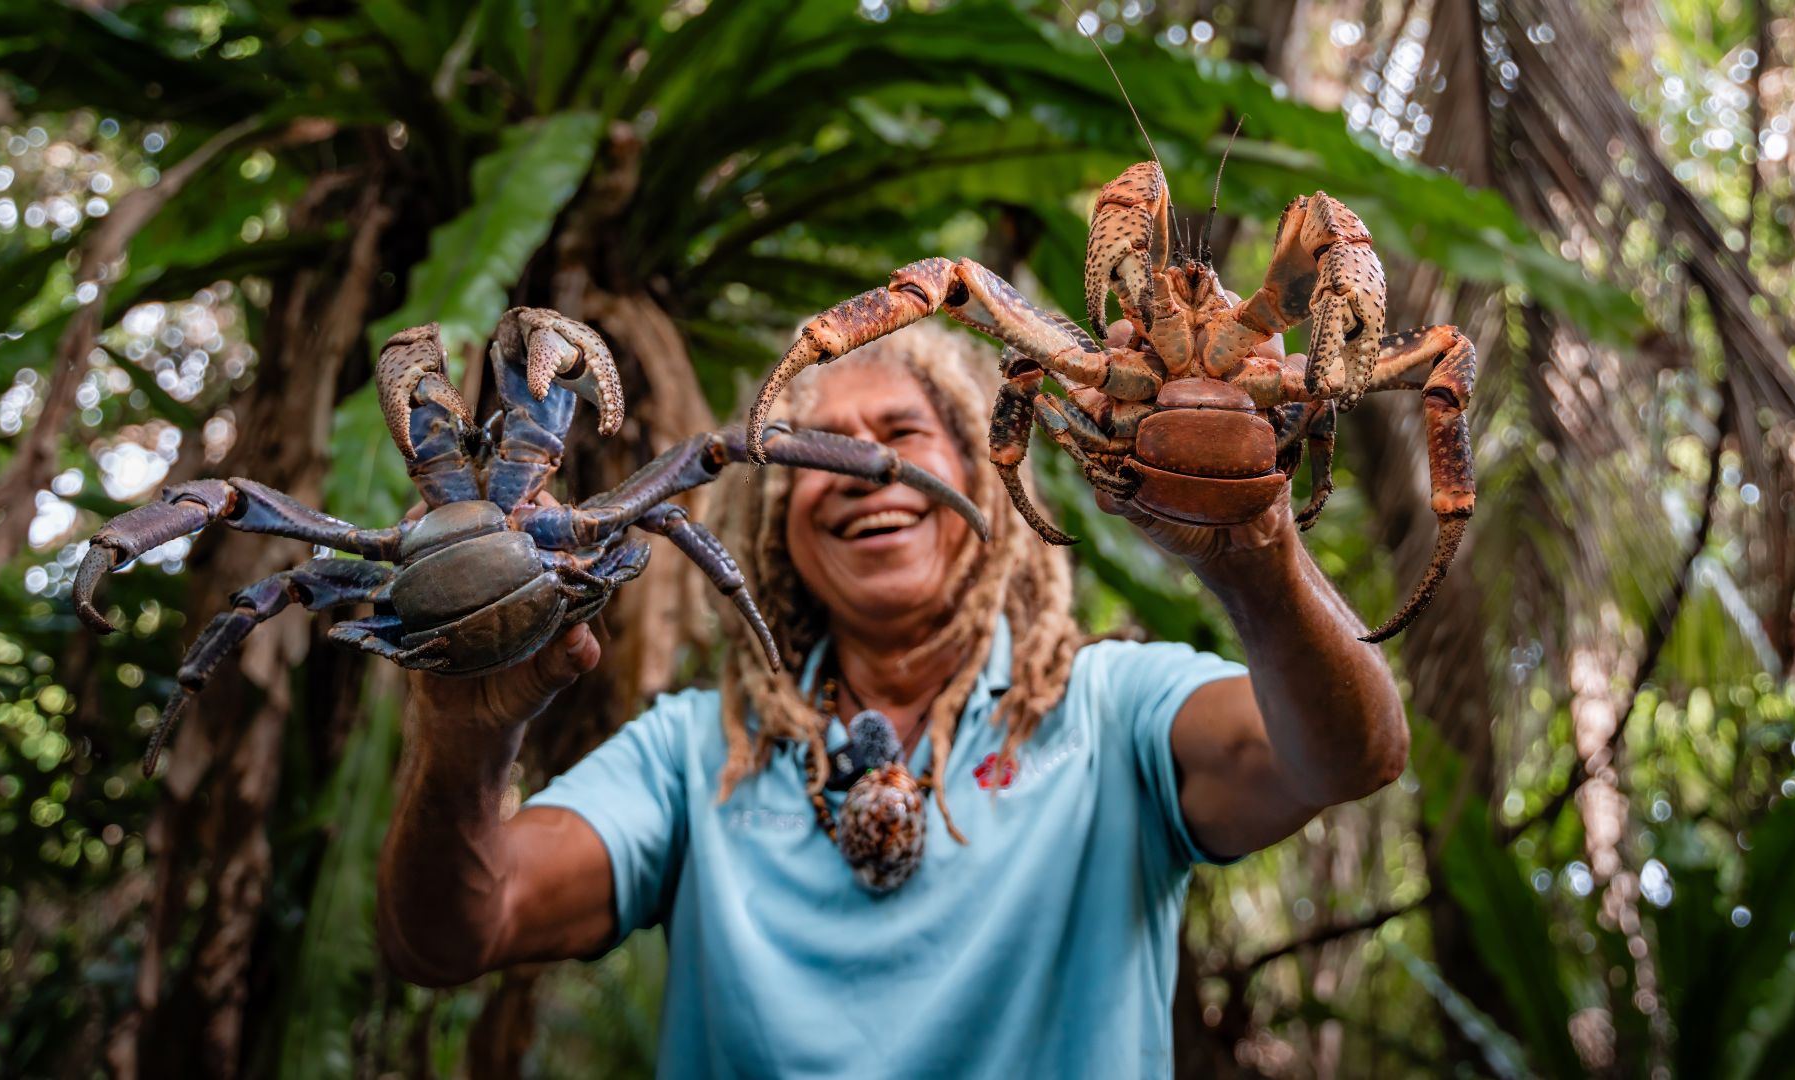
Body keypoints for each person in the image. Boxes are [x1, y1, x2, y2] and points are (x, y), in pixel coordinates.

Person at [376, 318, 1407, 1077]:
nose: (864, 472)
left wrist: (1254, 554)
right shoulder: (695, 755)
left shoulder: (1108, 711)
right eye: (816, 452)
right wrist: (463, 735)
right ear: (774, 521)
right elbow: (452, 934)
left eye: (902, 435)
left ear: (983, 469)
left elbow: (1346, 755)